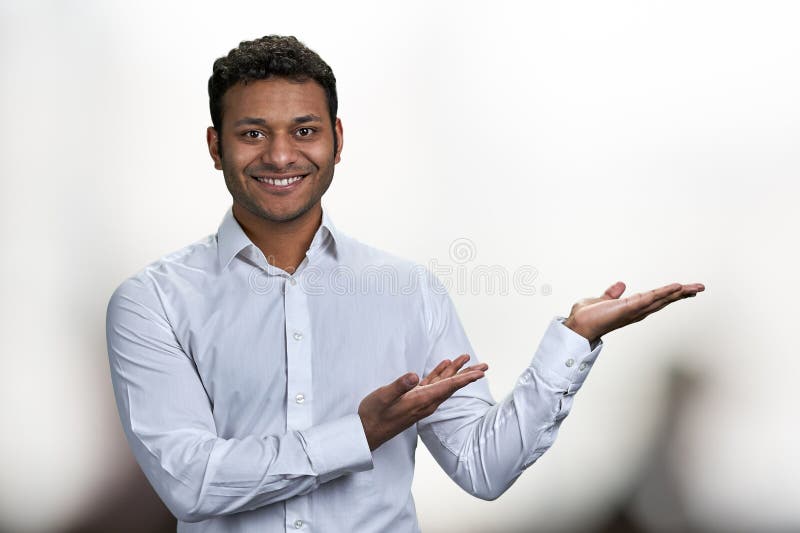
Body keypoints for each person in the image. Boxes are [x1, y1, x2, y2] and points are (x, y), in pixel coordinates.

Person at [106, 35, 704, 533]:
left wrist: (573, 340)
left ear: (338, 139)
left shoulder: (407, 291)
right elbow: (191, 482)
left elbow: (482, 466)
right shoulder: (153, 302)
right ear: (216, 145)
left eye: (305, 130)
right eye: (253, 133)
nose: (282, 155)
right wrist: (358, 435)